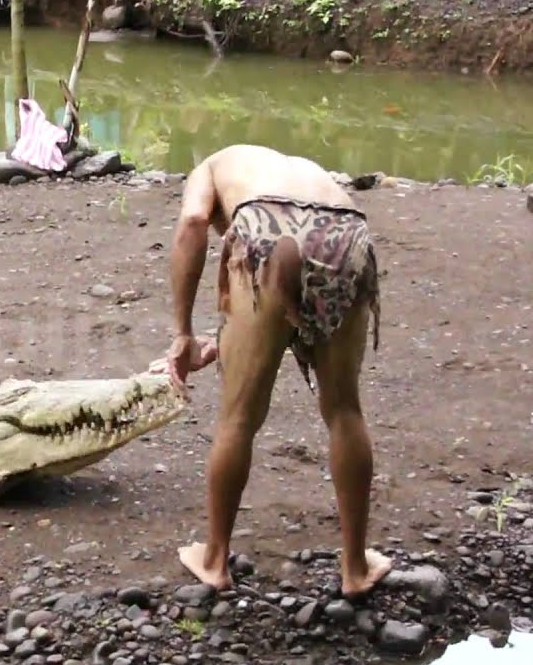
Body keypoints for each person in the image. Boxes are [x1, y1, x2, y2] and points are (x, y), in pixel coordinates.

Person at [160, 143, 393, 598]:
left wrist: (183, 333)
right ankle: (354, 567)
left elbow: (191, 224)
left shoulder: (208, 166)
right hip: (345, 231)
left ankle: (214, 560)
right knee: (344, 408)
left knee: (239, 416)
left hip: (267, 228)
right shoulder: (301, 169)